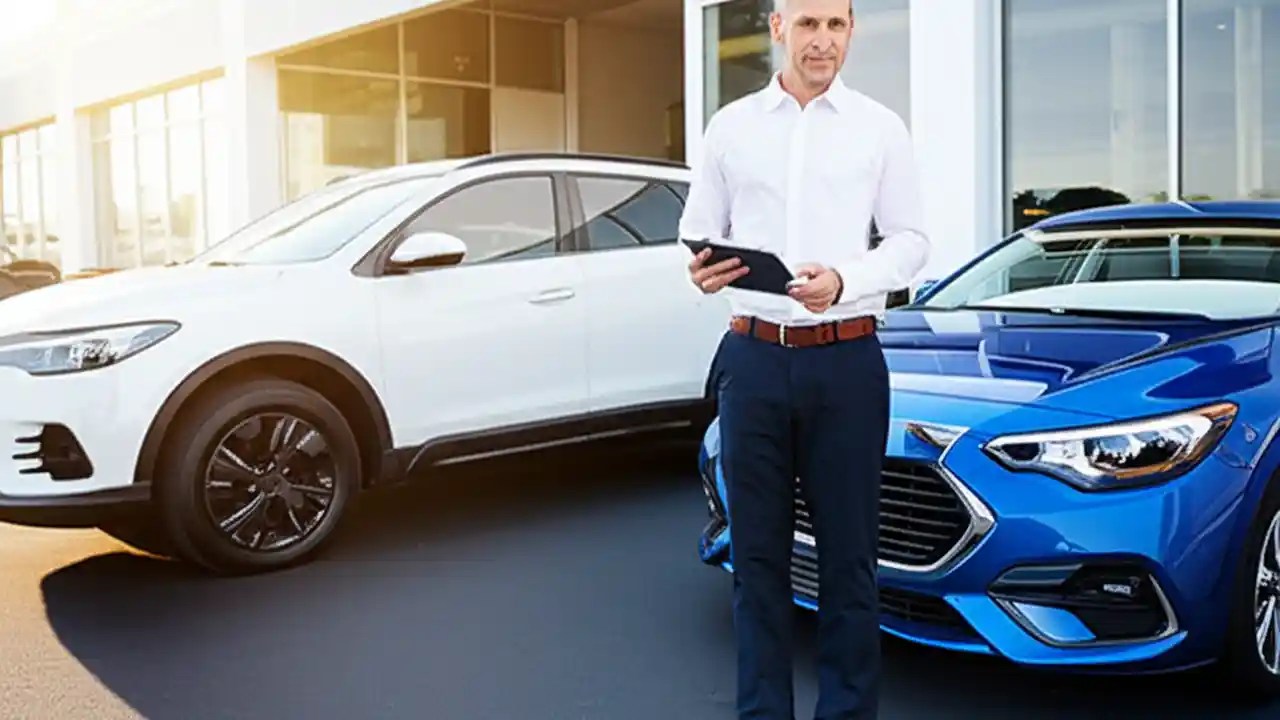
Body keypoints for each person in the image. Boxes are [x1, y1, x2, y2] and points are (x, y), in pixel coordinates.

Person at [679, 0, 930, 718]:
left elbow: (911, 240)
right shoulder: (731, 127)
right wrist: (699, 267)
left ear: (852, 31)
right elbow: (699, 230)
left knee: (850, 560)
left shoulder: (881, 128)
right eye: (809, 24)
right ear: (778, 27)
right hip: (752, 359)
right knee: (756, 560)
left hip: (846, 363)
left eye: (837, 25)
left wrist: (846, 280)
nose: (823, 41)